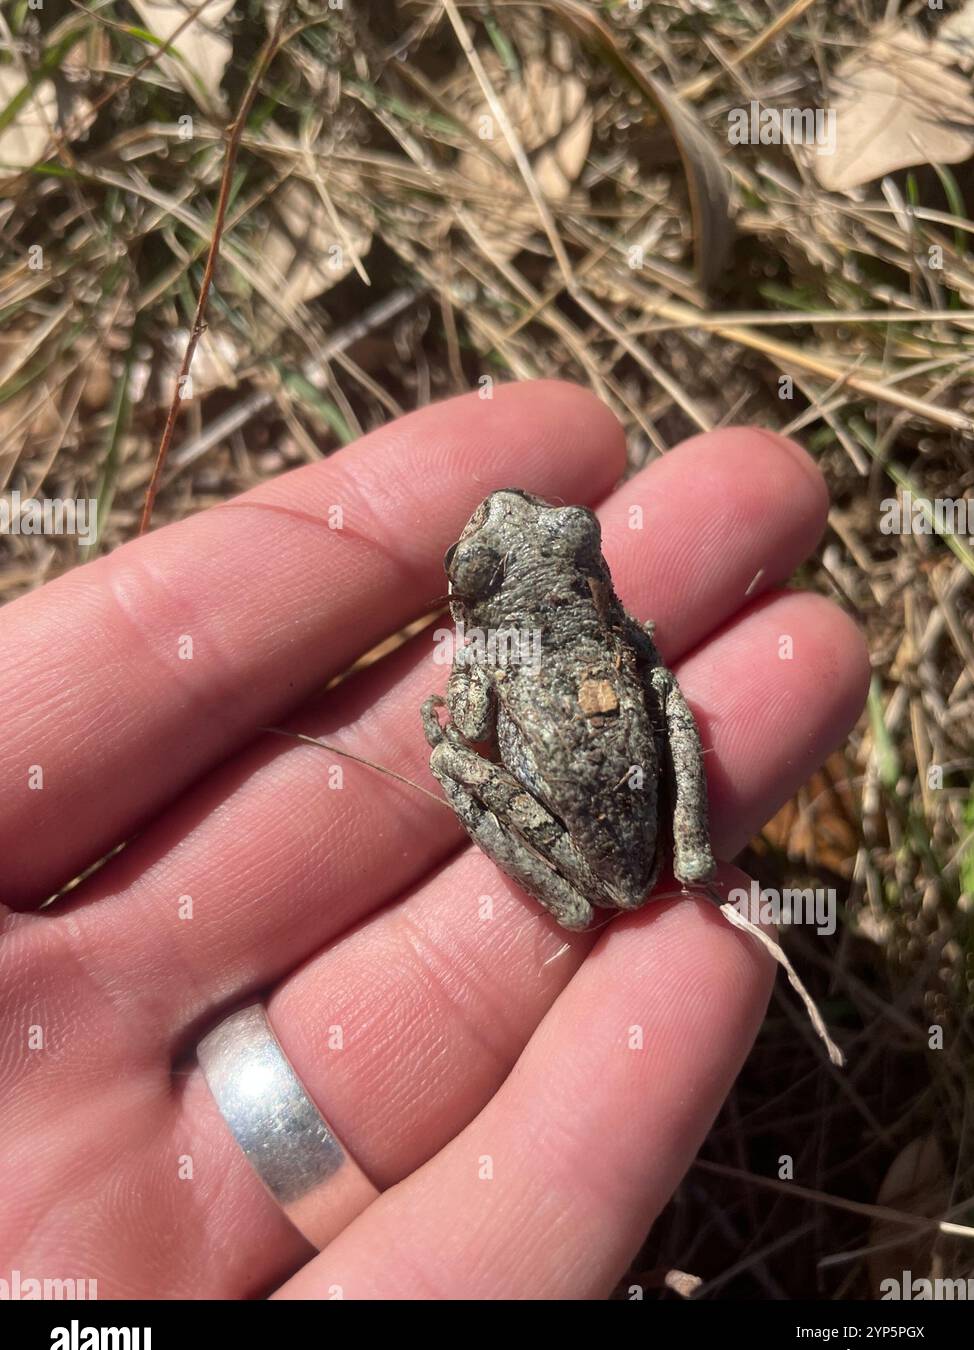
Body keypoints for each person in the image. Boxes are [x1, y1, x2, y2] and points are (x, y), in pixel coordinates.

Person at [0, 381, 868, 1299]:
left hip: (583, 800)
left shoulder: (496, 645)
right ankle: (673, 853)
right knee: (657, 697)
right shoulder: (602, 616)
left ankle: (602, 876)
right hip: (643, 799)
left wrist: (461, 717)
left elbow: (474, 720)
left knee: (452, 756)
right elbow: (641, 670)